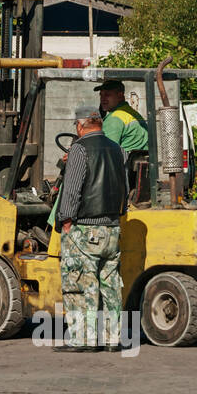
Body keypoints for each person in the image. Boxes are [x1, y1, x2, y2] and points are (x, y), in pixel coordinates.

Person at [54, 106, 128, 352]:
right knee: (111, 284)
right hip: (112, 227)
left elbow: (72, 188)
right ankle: (112, 338)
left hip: (85, 229)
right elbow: (124, 188)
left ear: (80, 125)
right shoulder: (118, 149)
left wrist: (65, 218)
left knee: (78, 282)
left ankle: (83, 339)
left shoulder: (79, 148)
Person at [95, 79, 148, 155]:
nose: (102, 99)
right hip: (139, 161)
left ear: (119, 96)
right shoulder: (131, 113)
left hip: (124, 164)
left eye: (107, 95)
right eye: (101, 95)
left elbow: (106, 151)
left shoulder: (115, 118)